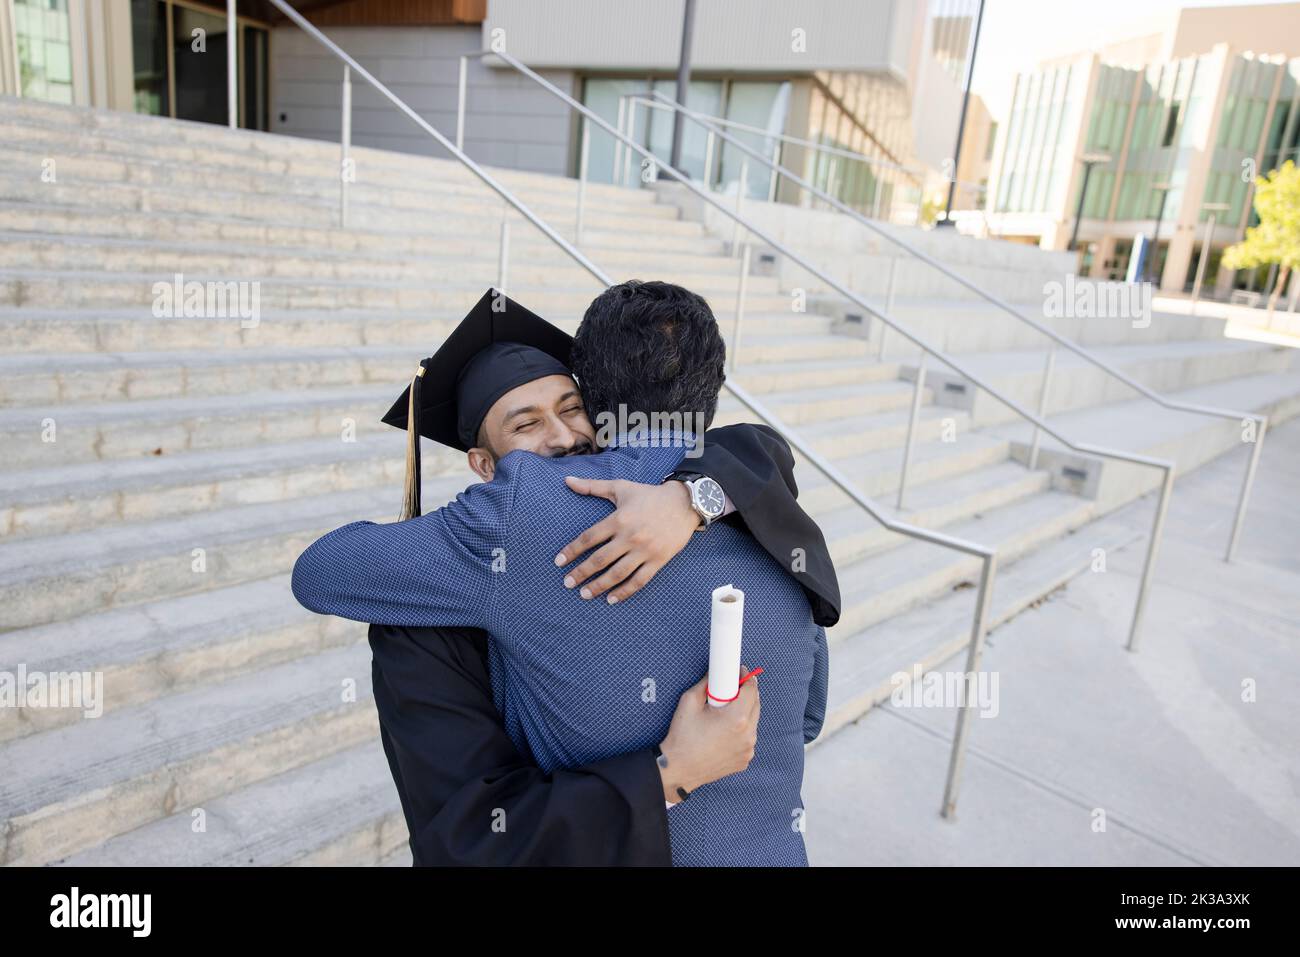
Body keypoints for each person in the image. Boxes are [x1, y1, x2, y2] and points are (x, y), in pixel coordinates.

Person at [294, 283, 836, 866]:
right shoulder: (768, 505)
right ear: (482, 464)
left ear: (598, 405)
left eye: (571, 409)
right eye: (525, 425)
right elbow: (805, 718)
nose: (562, 437)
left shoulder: (528, 515)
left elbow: (320, 571)